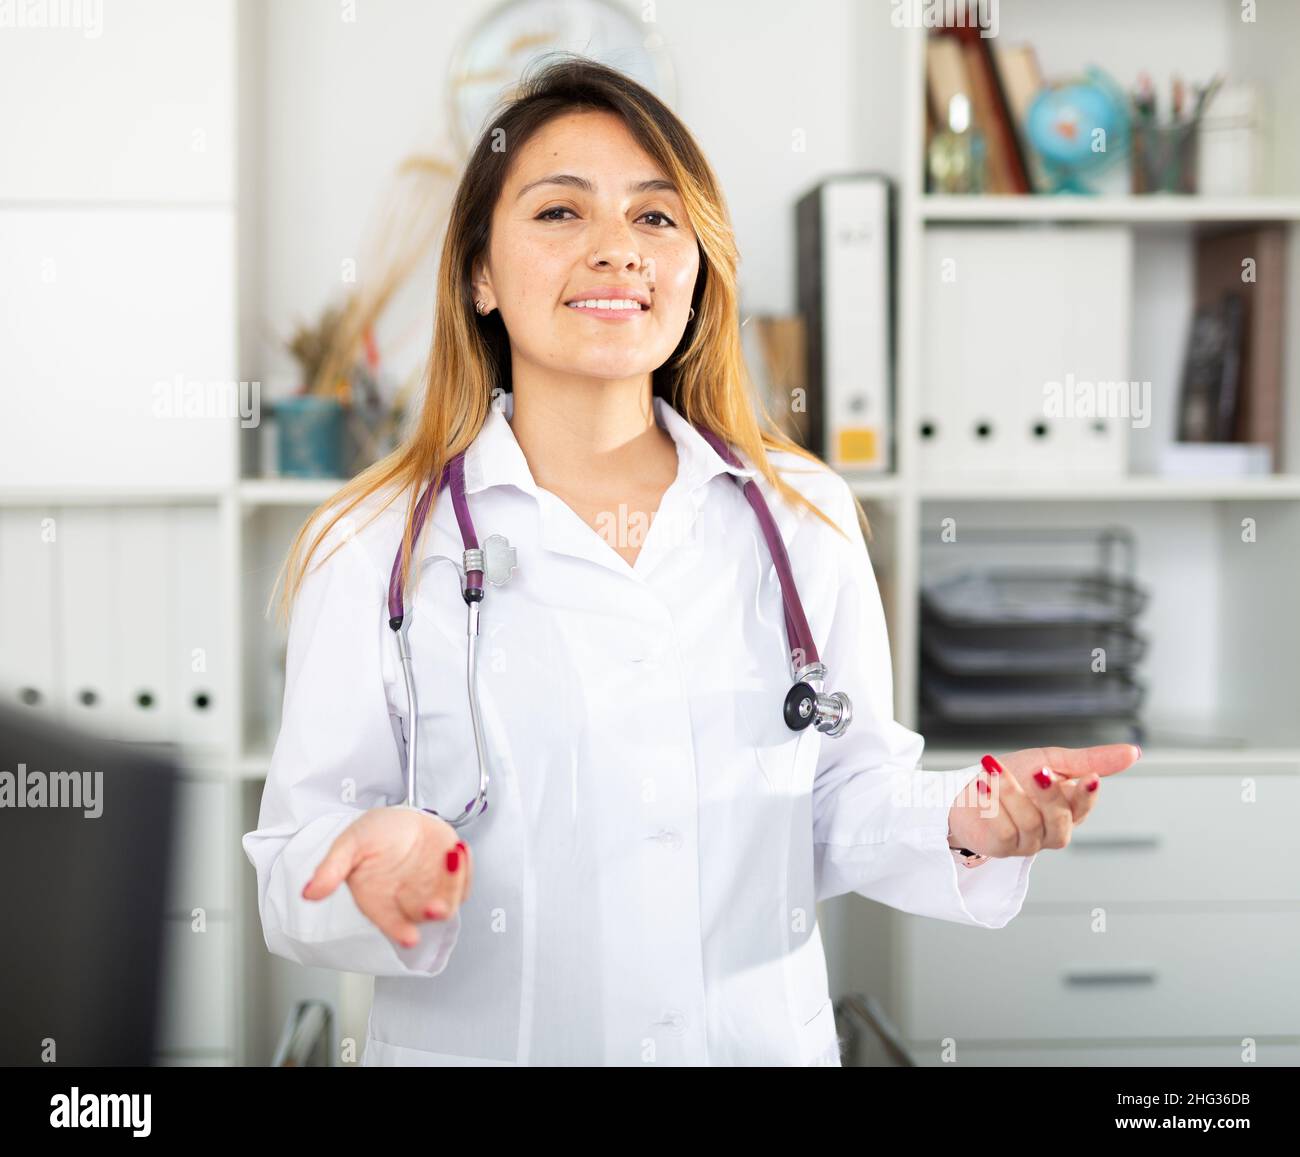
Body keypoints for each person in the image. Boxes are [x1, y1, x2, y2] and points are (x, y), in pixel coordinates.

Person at [242, 55, 1139, 1067]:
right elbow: (292, 863)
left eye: (656, 218)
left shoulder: (802, 516)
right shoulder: (373, 542)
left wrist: (971, 814)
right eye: (559, 213)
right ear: (480, 274)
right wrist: (362, 874)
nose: (618, 250)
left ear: (697, 266)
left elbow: (842, 799)